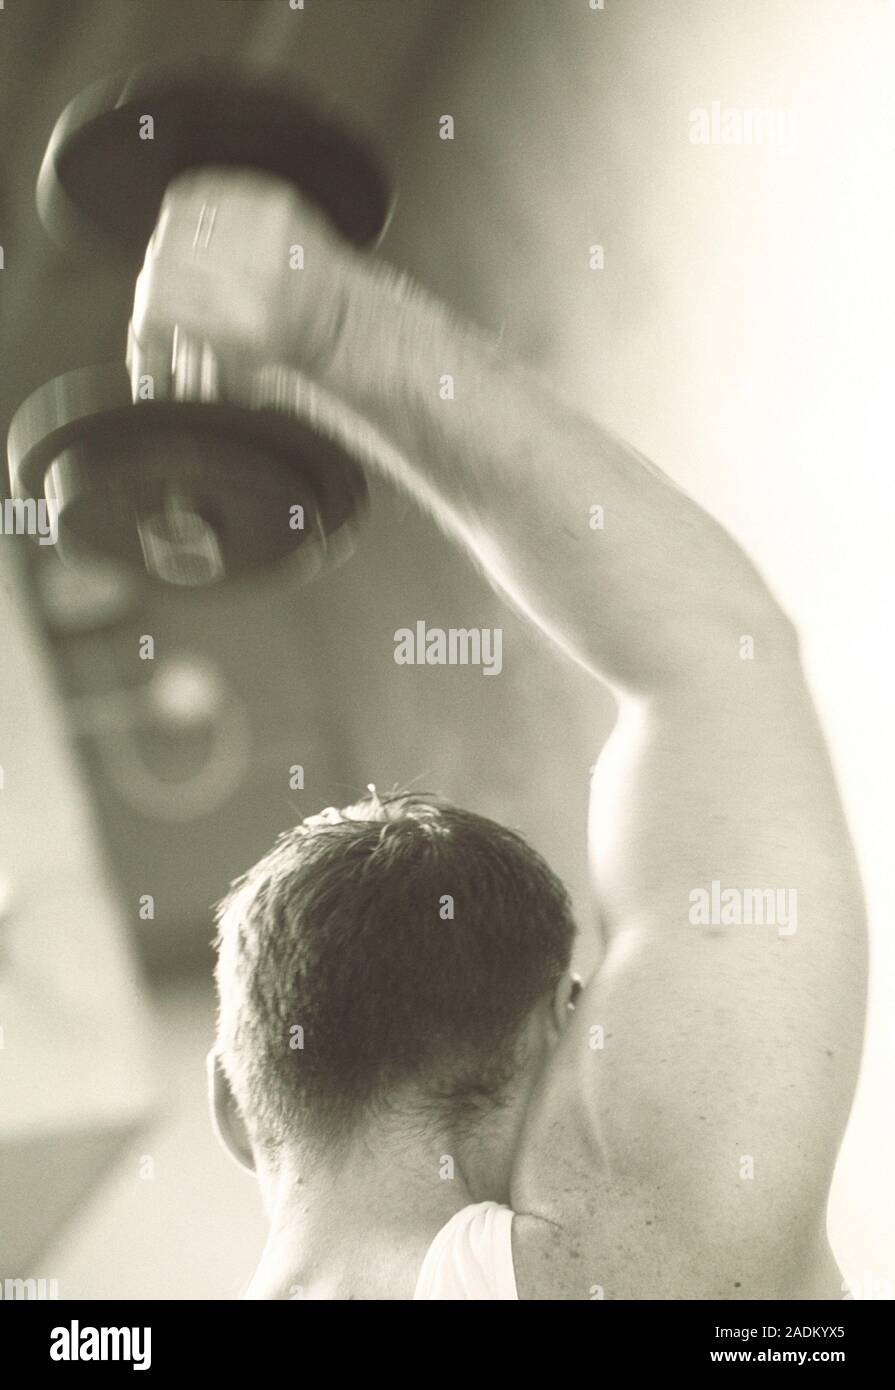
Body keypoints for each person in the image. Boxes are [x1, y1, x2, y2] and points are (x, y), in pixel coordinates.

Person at [130, 168, 867, 1300]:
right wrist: (322, 318)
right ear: (566, 1034)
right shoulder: (628, 1259)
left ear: (236, 1102)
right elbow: (710, 656)